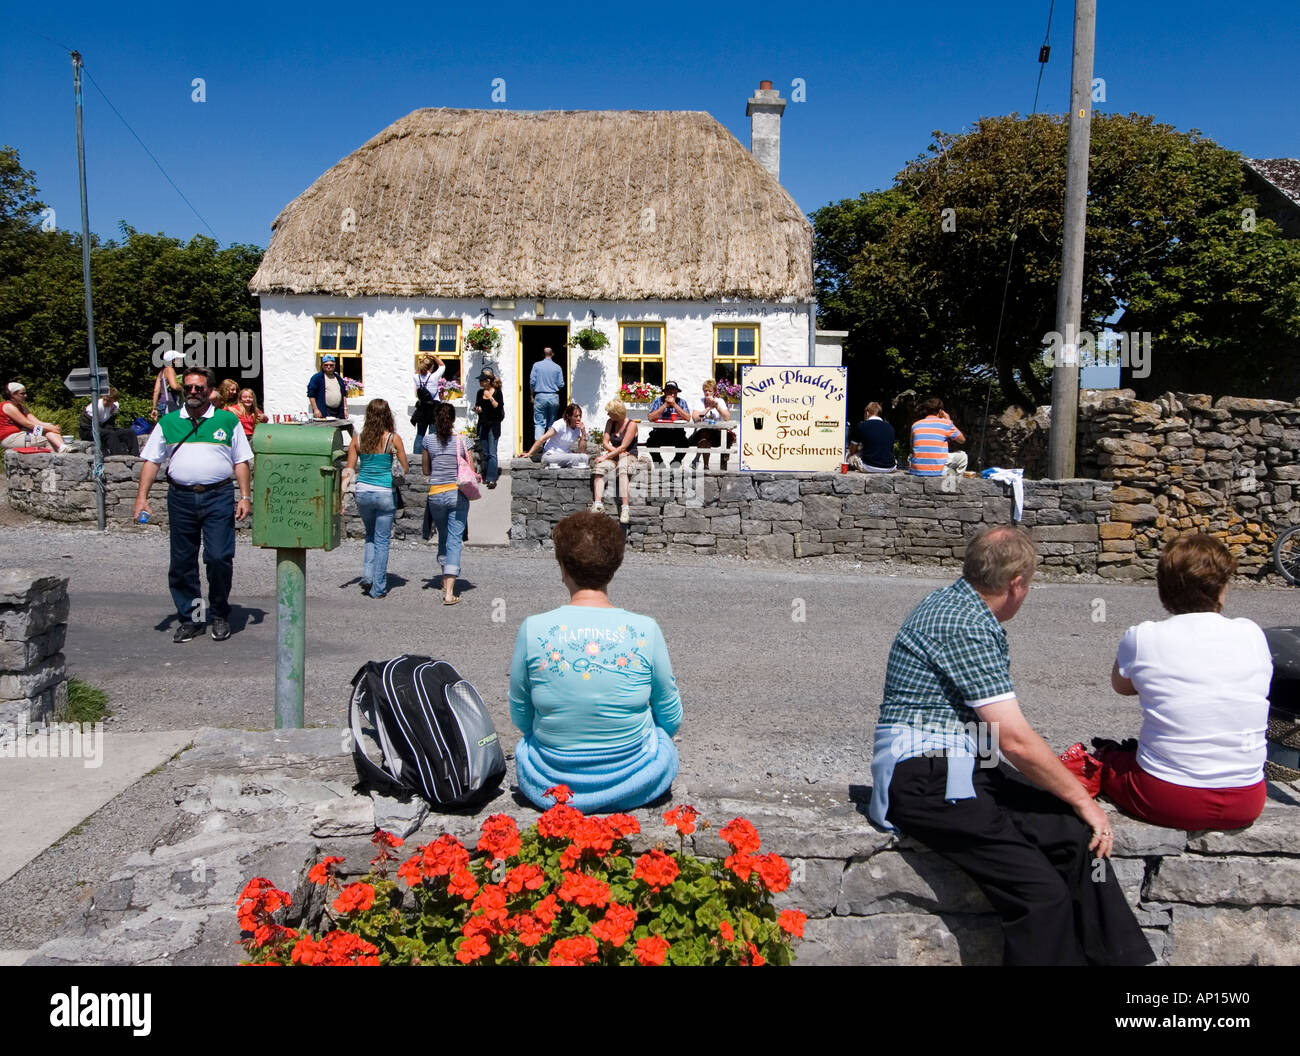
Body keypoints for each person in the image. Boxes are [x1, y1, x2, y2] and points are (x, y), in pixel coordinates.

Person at [869, 525, 1153, 966]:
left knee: (1074, 837)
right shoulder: (964, 623)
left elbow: (997, 742)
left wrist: (1071, 806)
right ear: (1017, 583)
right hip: (926, 776)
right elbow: (1015, 740)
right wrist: (1083, 797)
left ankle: (1119, 960)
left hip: (964, 766)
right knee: (1041, 895)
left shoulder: (961, 606)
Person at [1089, 534, 1271, 831]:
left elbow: (1121, 686)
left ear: (1163, 588)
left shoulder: (1144, 636)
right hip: (1247, 798)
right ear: (1223, 587)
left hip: (1169, 796)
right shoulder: (1252, 633)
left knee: (1106, 759)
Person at [510, 511, 682, 812]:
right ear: (615, 566)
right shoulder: (645, 629)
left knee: (527, 747)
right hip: (637, 778)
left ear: (563, 568)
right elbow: (670, 716)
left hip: (550, 781)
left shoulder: (533, 629)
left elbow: (521, 714)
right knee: (663, 746)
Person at [133, 367, 253, 643]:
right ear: (183, 390)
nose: (193, 392)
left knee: (219, 557)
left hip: (218, 496)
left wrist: (245, 497)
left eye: (199, 388)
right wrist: (141, 498)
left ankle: (220, 613)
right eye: (188, 388)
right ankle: (194, 618)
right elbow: (152, 461)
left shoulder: (227, 421)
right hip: (181, 499)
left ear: (210, 391)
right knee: (183, 563)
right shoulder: (168, 422)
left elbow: (241, 462)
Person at [347, 399, 409, 600]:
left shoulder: (357, 439)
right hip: (384, 492)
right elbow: (404, 468)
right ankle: (378, 587)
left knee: (370, 535)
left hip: (363, 491)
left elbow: (349, 470)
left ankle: (367, 575)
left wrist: (339, 498)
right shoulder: (393, 438)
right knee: (382, 540)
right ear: (387, 415)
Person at [421, 402, 470, 605]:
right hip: (456, 493)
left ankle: (444, 579)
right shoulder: (462, 440)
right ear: (453, 419)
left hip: (435, 494)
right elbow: (470, 470)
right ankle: (449, 592)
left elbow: (425, 470)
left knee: (443, 537)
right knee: (454, 540)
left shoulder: (428, 440)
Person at [590, 399, 639, 524]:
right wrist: (615, 453)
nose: (608, 415)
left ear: (617, 413)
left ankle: (625, 508)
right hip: (615, 454)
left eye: (610, 412)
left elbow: (624, 446)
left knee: (623, 470)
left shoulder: (632, 425)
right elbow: (605, 442)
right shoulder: (610, 422)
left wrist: (614, 453)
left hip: (629, 455)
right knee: (600, 468)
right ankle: (598, 504)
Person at [0, 382, 68, 452]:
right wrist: (49, 428)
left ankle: (63, 447)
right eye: (22, 393)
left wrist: (51, 426)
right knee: (47, 439)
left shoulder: (21, 407)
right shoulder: (8, 406)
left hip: (21, 433)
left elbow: (36, 422)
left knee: (50, 433)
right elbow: (27, 424)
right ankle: (55, 457)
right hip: (9, 438)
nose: (25, 395)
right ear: (12, 394)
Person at [909, 397, 967, 478]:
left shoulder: (915, 425)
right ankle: (956, 482)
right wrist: (949, 421)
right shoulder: (946, 424)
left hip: (916, 470)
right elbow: (962, 440)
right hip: (937, 470)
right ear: (940, 411)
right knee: (963, 456)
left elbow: (912, 448)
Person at [521, 403, 587, 467]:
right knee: (574, 457)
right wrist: (529, 453)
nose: (579, 418)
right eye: (576, 416)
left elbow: (582, 451)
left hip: (565, 456)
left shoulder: (579, 428)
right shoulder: (560, 424)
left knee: (584, 457)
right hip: (551, 456)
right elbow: (543, 438)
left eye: (580, 416)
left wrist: (583, 432)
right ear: (568, 416)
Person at [80, 386, 138, 456]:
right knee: (110, 434)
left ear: (114, 401)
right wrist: (105, 430)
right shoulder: (94, 407)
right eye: (104, 399)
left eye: (108, 401)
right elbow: (85, 426)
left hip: (104, 429)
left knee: (130, 432)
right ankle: (118, 456)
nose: (105, 402)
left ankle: (135, 454)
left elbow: (110, 423)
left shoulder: (114, 407)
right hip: (89, 431)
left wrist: (108, 429)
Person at [690, 379, 734, 470]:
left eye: (709, 391)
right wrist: (708, 408)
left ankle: (697, 459)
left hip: (716, 431)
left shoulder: (720, 401)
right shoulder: (700, 402)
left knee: (706, 436)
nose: (707, 393)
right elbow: (695, 418)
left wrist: (717, 407)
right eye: (705, 390)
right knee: (704, 435)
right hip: (703, 432)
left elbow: (727, 418)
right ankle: (706, 465)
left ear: (714, 392)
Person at [645, 380, 691, 465]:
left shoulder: (681, 402)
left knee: (685, 443)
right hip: (659, 432)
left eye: (675, 392)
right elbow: (650, 417)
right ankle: (659, 464)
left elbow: (688, 418)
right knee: (650, 442)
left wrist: (674, 405)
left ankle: (675, 463)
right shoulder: (658, 401)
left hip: (677, 432)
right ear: (665, 392)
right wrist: (665, 405)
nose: (673, 395)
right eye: (670, 392)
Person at [472, 368, 503, 488]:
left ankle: (492, 479)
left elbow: (498, 408)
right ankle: (486, 475)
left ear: (488, 381)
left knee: (492, 452)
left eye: (482, 381)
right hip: (483, 424)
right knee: (485, 452)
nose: (480, 383)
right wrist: (478, 409)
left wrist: (490, 397)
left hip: (493, 425)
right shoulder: (479, 393)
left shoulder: (497, 392)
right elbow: (477, 406)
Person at [847, 401, 896, 472]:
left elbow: (852, 450)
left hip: (869, 466)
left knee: (849, 457)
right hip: (890, 467)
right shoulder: (890, 427)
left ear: (867, 413)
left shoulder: (861, 426)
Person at [529, 346, 564, 445]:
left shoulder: (536, 365)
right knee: (552, 423)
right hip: (553, 396)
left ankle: (538, 443)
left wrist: (531, 396)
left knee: (539, 423)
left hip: (540, 395)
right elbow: (561, 384)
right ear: (552, 354)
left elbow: (532, 382)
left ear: (543, 354)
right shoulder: (557, 367)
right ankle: (549, 444)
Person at [412, 354, 445, 450]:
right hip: (434, 407)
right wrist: (433, 356)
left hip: (422, 407)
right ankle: (431, 457)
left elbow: (417, 372)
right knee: (433, 434)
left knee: (420, 434)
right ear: (431, 367)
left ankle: (416, 459)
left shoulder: (416, 378)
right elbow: (442, 365)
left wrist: (422, 361)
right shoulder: (434, 377)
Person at [307, 355, 347, 419]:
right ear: (322, 365)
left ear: (334, 365)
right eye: (326, 365)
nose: (328, 367)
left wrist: (345, 409)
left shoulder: (338, 377)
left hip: (339, 411)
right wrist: (315, 409)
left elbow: (344, 394)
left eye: (331, 365)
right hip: (324, 411)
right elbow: (311, 394)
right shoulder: (317, 378)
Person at [152, 349, 184, 421]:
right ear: (173, 361)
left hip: (162, 404)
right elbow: (174, 386)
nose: (181, 361)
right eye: (179, 359)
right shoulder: (170, 369)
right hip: (170, 404)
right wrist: (186, 387)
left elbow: (156, 391)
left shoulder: (161, 372)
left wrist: (154, 408)